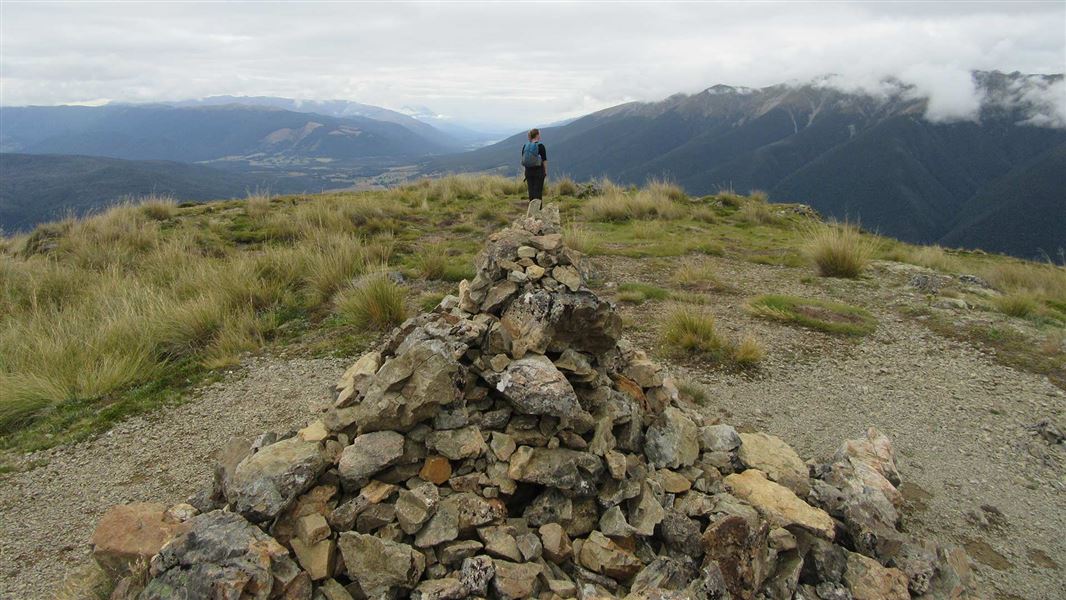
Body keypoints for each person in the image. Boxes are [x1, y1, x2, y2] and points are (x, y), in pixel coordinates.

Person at [521, 128, 547, 201]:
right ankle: (538, 211)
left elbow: (524, 158)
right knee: (538, 192)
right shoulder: (540, 146)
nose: (540, 136)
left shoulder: (525, 146)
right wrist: (545, 171)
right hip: (538, 172)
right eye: (539, 134)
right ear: (537, 135)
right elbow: (544, 160)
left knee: (531, 191)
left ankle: (531, 211)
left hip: (528, 172)